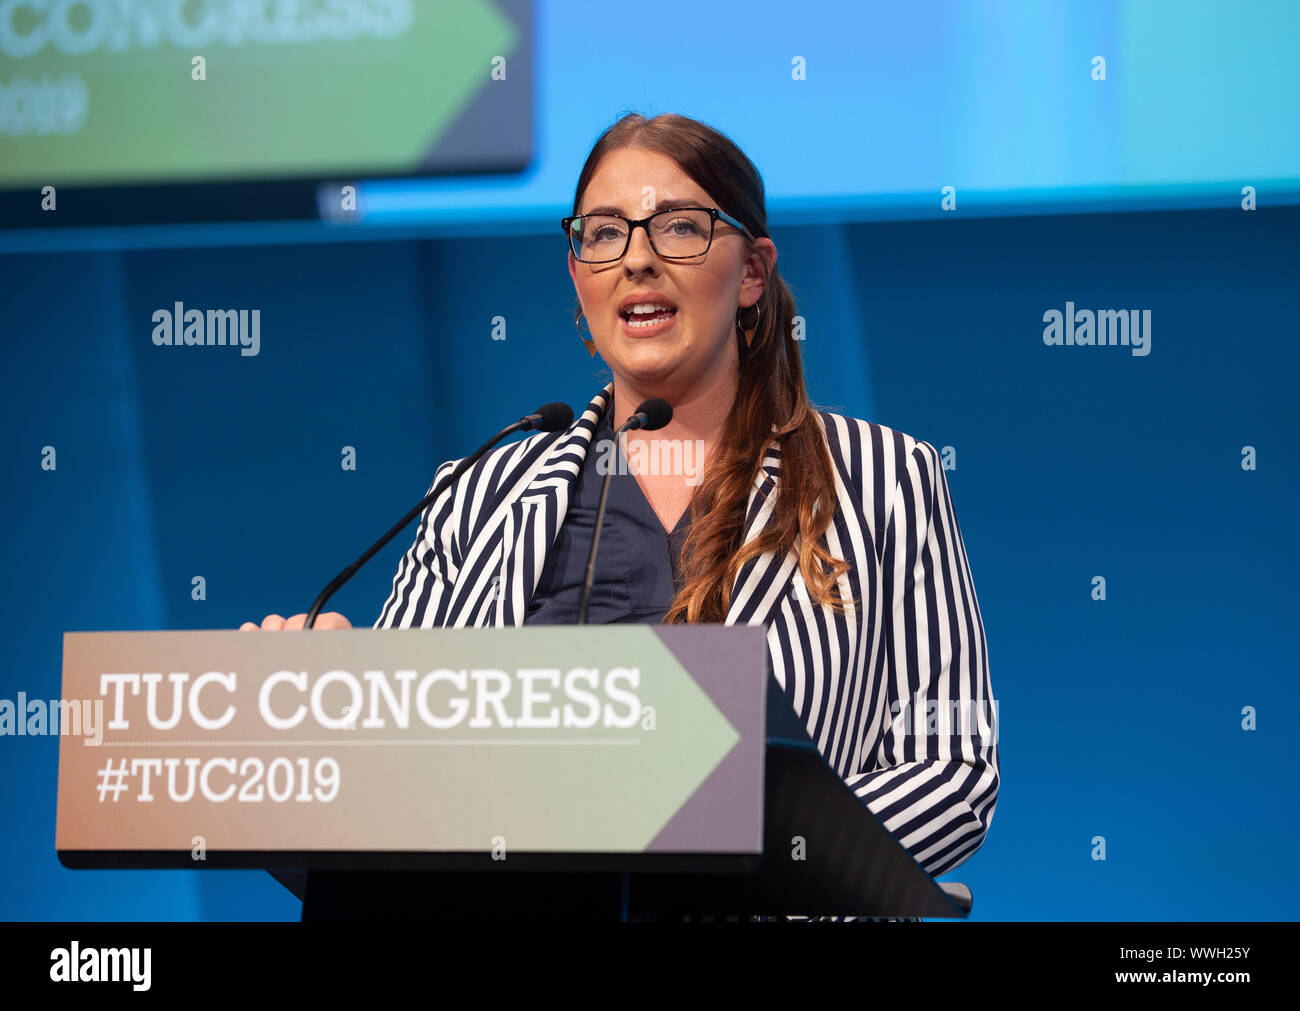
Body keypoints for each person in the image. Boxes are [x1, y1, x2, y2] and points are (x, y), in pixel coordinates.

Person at [245, 112, 998, 918]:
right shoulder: (476, 494)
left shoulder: (884, 481)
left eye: (680, 227)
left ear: (752, 271)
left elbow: (953, 767)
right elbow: (391, 806)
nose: (637, 258)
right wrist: (313, 718)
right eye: (603, 234)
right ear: (578, 275)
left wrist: (769, 859)